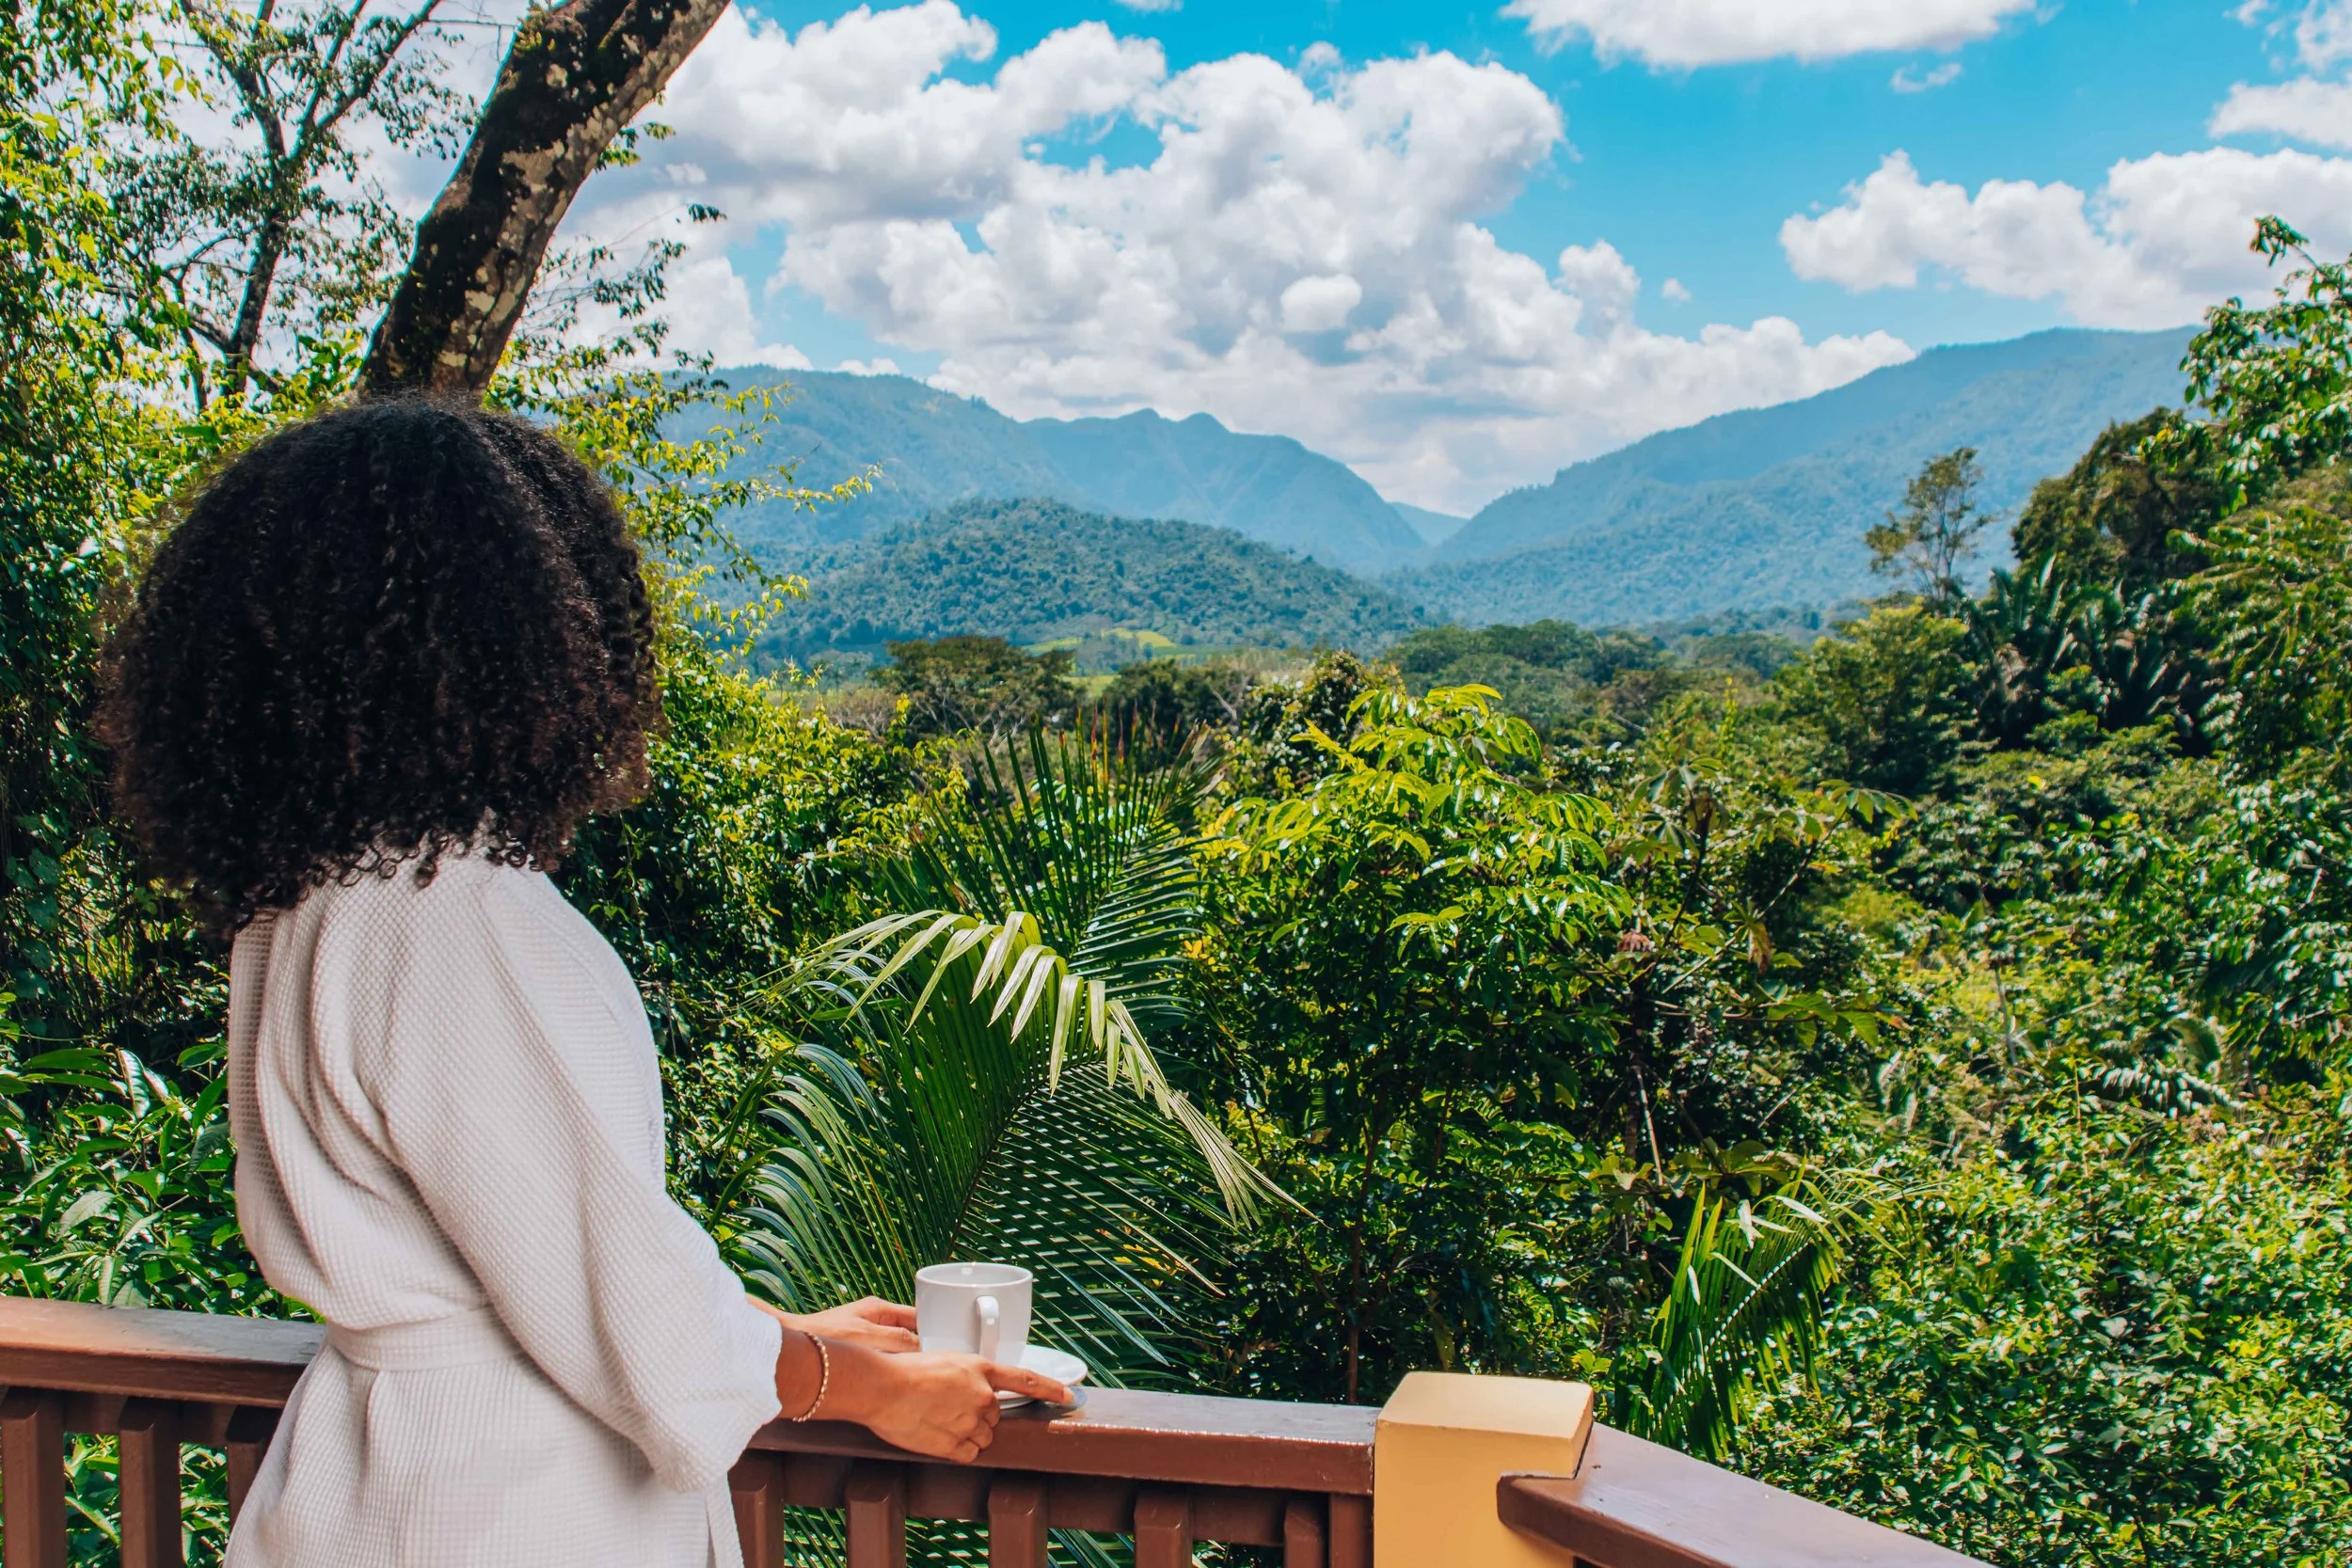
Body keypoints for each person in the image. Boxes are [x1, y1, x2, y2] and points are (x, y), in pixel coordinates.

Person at [99, 398, 1067, 1568]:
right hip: (501, 1505)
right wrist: (847, 1378)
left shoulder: (309, 904)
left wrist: (776, 1329)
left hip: (377, 1484)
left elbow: (518, 1252)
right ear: (523, 635)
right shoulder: (449, 913)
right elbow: (608, 1284)